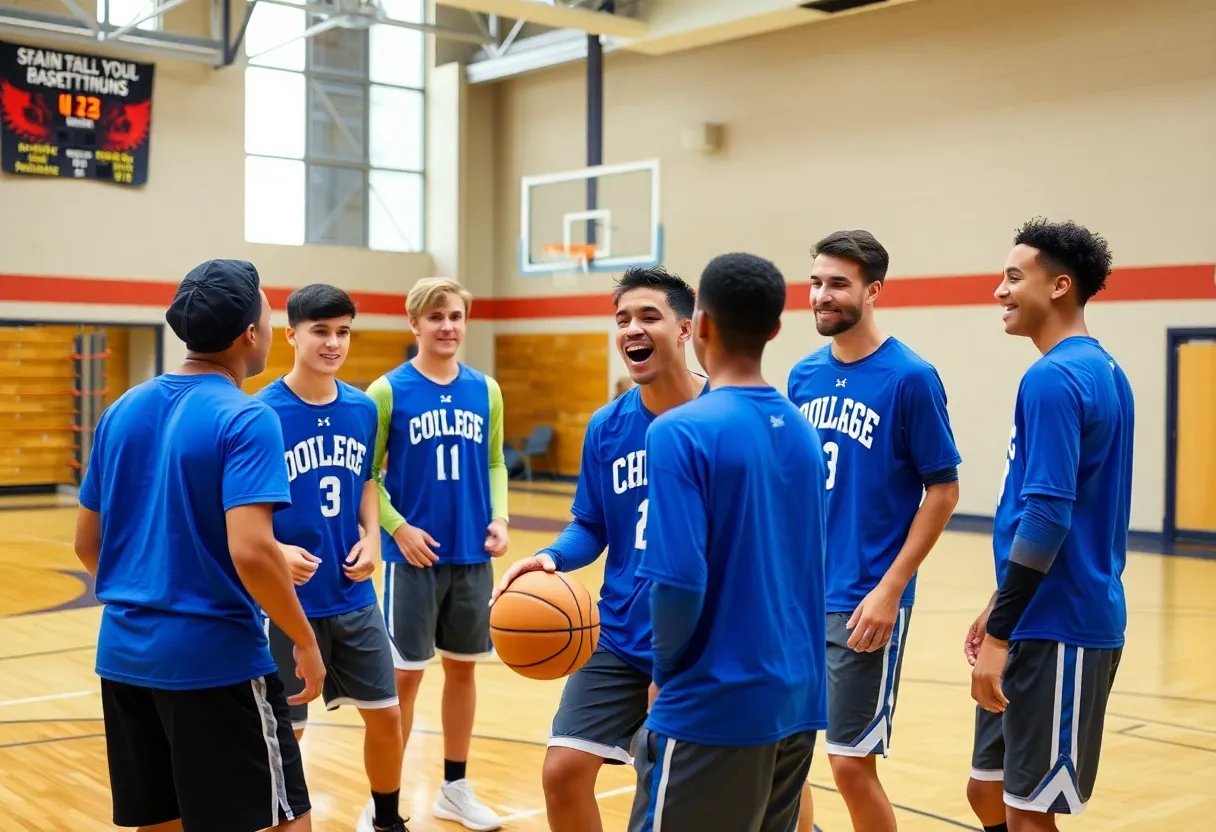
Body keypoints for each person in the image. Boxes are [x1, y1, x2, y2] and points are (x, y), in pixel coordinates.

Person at [73, 259, 323, 832]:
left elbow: (90, 544)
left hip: (124, 657)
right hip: (214, 662)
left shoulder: (121, 409)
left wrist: (156, 582)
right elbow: (254, 551)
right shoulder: (246, 416)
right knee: (285, 822)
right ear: (250, 336)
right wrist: (304, 641)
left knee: (161, 820)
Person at [489, 266, 707, 832]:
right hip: (619, 636)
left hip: (705, 639)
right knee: (562, 771)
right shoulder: (607, 427)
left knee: (720, 786)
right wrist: (552, 558)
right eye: (623, 319)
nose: (632, 328)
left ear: (686, 329)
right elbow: (590, 524)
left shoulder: (725, 418)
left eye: (649, 316)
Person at [626, 252, 829, 831]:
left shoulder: (679, 431)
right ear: (775, 329)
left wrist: (664, 671)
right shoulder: (803, 430)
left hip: (712, 704)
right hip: (798, 699)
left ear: (703, 325)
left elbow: (677, 580)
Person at [786, 229, 961, 832]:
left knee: (849, 763)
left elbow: (943, 491)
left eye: (838, 283)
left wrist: (891, 588)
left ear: (874, 290)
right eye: (816, 282)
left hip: (864, 597)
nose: (821, 295)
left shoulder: (909, 377)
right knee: (784, 755)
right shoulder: (801, 377)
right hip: (798, 598)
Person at [965, 218, 1131, 832]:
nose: (999, 291)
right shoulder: (1097, 368)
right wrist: (997, 603)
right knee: (987, 793)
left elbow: (1049, 515)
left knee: (1029, 812)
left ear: (1059, 286)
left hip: (1061, 626)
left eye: (1013, 277)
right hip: (1033, 615)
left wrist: (1002, 634)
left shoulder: (1057, 376)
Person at [254, 284, 408, 832]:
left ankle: (387, 820)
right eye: (320, 331)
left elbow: (367, 481)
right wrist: (273, 549)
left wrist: (373, 536)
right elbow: (238, 512)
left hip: (352, 594)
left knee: (387, 716)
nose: (333, 342)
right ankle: (283, 819)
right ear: (291, 335)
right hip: (284, 602)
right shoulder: (261, 414)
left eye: (343, 331)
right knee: (288, 730)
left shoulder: (363, 408)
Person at [368, 276, 510, 831]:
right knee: (404, 679)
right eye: (435, 317)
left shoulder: (486, 389)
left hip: (472, 556)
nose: (447, 327)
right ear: (414, 324)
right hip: (413, 561)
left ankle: (454, 787)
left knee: (463, 672)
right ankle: (383, 796)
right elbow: (368, 476)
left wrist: (499, 516)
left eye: (454, 316)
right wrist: (398, 529)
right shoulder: (388, 390)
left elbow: (495, 462)